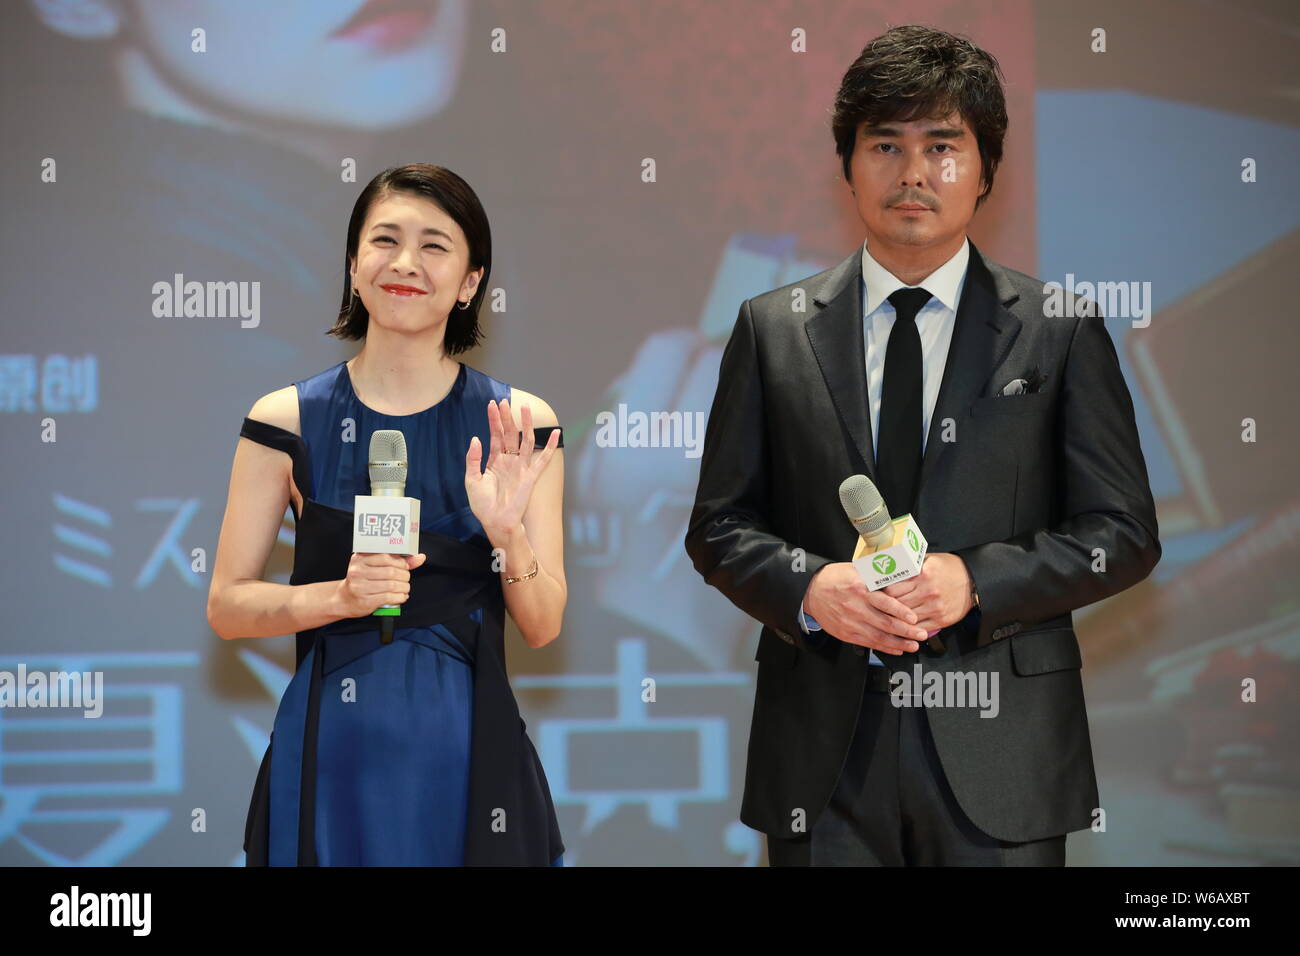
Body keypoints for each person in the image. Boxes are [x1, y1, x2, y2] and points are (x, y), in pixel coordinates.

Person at [685, 25, 1160, 866]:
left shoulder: (1058, 329)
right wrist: (812, 586)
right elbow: (720, 526)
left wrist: (974, 579)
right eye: (885, 145)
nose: (912, 173)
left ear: (986, 171)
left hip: (1002, 749)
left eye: (943, 146)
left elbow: (1121, 535)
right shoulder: (773, 330)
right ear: (849, 166)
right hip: (824, 753)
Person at [206, 164, 567, 866]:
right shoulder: (286, 420)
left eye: (435, 246)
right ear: (353, 262)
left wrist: (507, 537)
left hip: (469, 753)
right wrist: (338, 597)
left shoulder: (519, 423)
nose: (405, 263)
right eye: (384, 240)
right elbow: (227, 606)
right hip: (329, 754)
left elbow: (544, 624)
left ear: (470, 282)